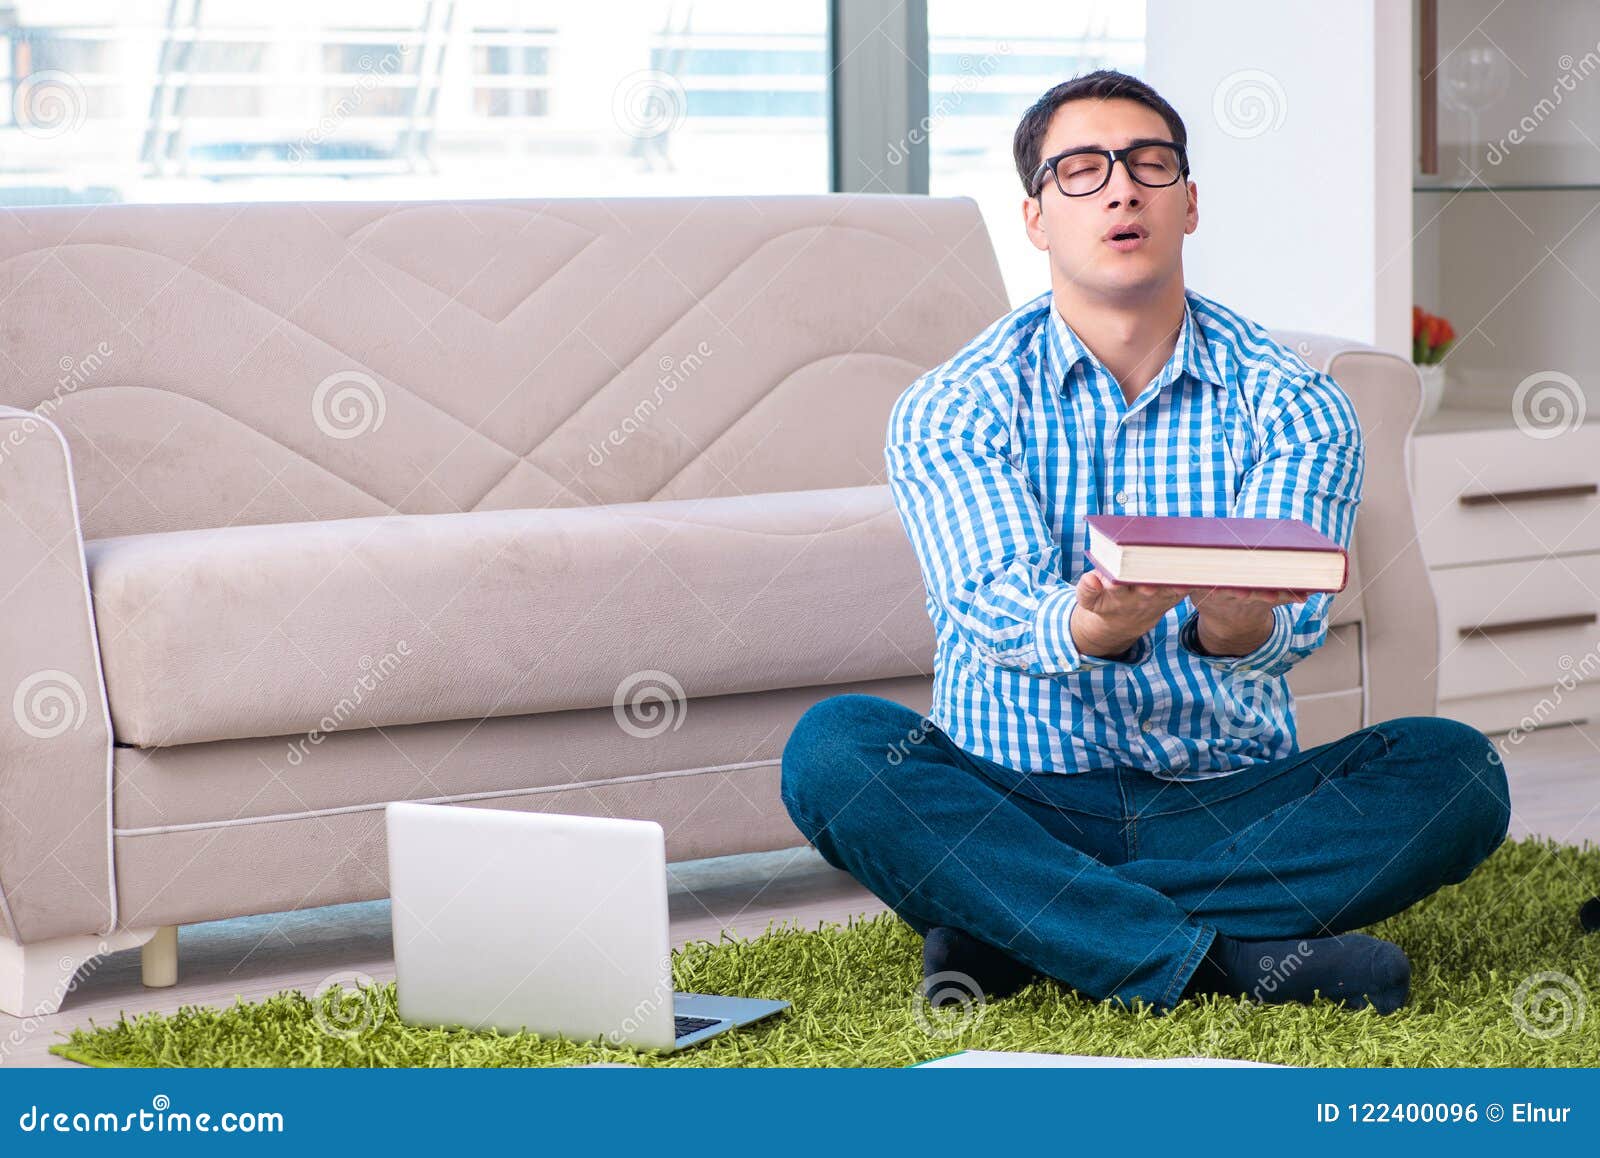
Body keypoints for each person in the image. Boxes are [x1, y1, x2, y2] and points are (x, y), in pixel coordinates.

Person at [779, 70, 1510, 1017]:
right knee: (833, 751)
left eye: (1149, 165)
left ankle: (1018, 922)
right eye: (1082, 170)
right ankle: (1218, 961)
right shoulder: (955, 403)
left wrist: (1235, 627)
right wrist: (1092, 626)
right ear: (1038, 218)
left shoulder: (1297, 402)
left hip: (1225, 799)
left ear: (1189, 203)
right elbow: (991, 607)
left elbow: (1292, 627)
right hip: (1017, 794)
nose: (1122, 189)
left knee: (1456, 773)